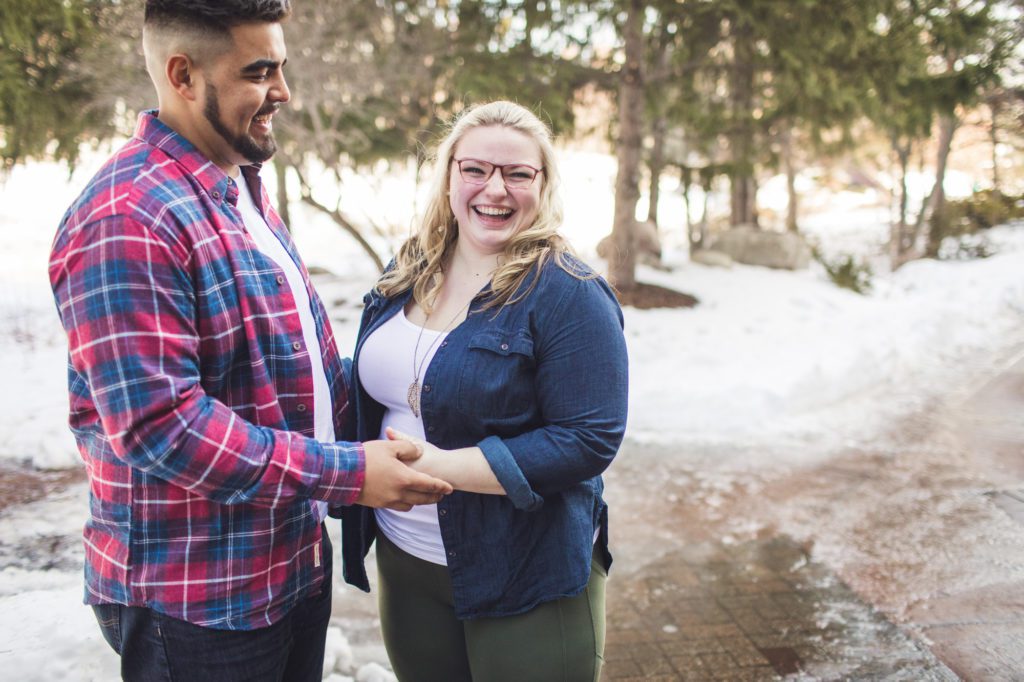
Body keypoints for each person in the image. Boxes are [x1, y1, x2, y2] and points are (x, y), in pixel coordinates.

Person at [47, 2, 451, 680]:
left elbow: (280, 369)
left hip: (288, 566)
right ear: (183, 75)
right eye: (259, 72)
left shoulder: (237, 187)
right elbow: (163, 429)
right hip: (200, 603)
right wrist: (350, 475)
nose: (283, 93)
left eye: (282, 67)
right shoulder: (129, 218)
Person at [341, 100, 629, 681]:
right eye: (475, 169)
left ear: (542, 186)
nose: (494, 189)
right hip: (407, 560)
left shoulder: (569, 293)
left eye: (518, 174)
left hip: (523, 571)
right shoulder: (410, 268)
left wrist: (445, 466)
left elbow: (588, 438)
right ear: (449, 177)